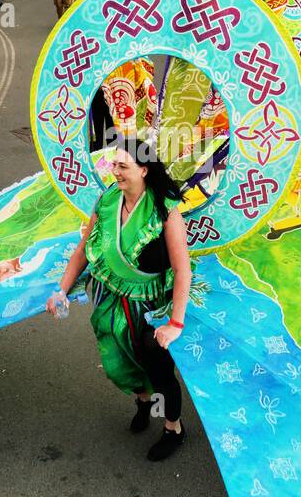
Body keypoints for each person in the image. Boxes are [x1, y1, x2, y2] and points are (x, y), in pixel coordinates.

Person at [47, 141, 192, 462]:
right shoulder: (108, 200)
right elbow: (85, 249)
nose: (115, 172)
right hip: (108, 298)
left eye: (122, 167)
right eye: (114, 165)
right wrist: (62, 290)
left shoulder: (164, 210)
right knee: (117, 365)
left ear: (144, 170)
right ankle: (144, 403)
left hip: (149, 308)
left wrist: (175, 324)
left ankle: (173, 428)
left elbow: (183, 270)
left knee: (157, 367)